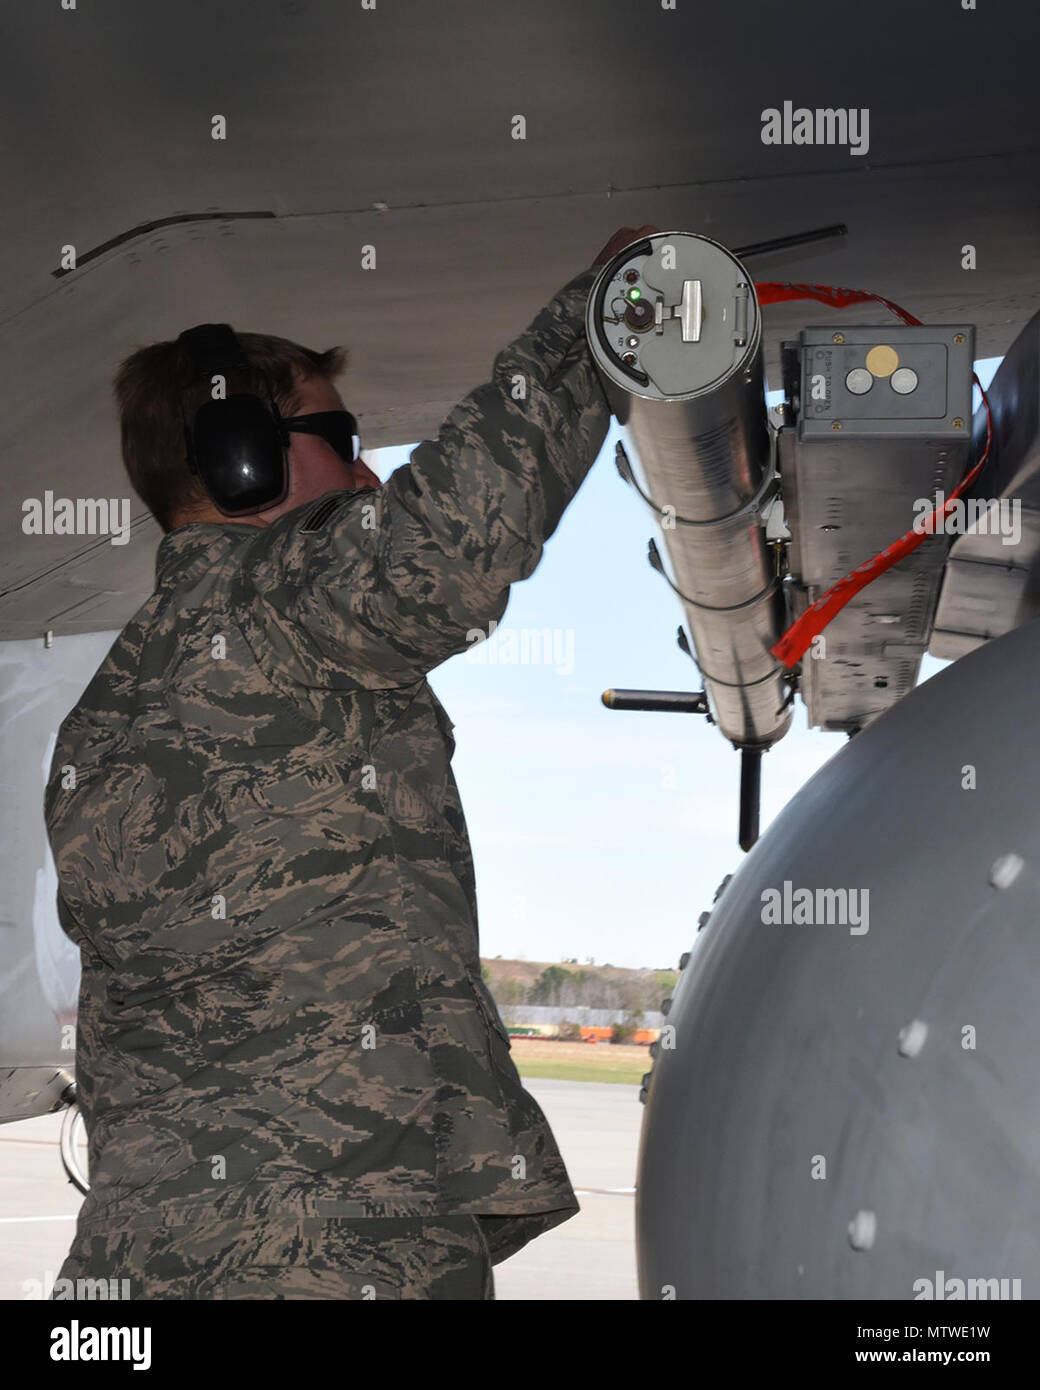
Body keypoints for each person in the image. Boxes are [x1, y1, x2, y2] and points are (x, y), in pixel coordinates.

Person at [44, 225, 657, 1300]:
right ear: (247, 454)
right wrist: (602, 313)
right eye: (343, 433)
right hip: (327, 1248)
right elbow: (447, 537)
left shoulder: (107, 706)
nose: (369, 468)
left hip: (134, 1269)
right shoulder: (281, 597)